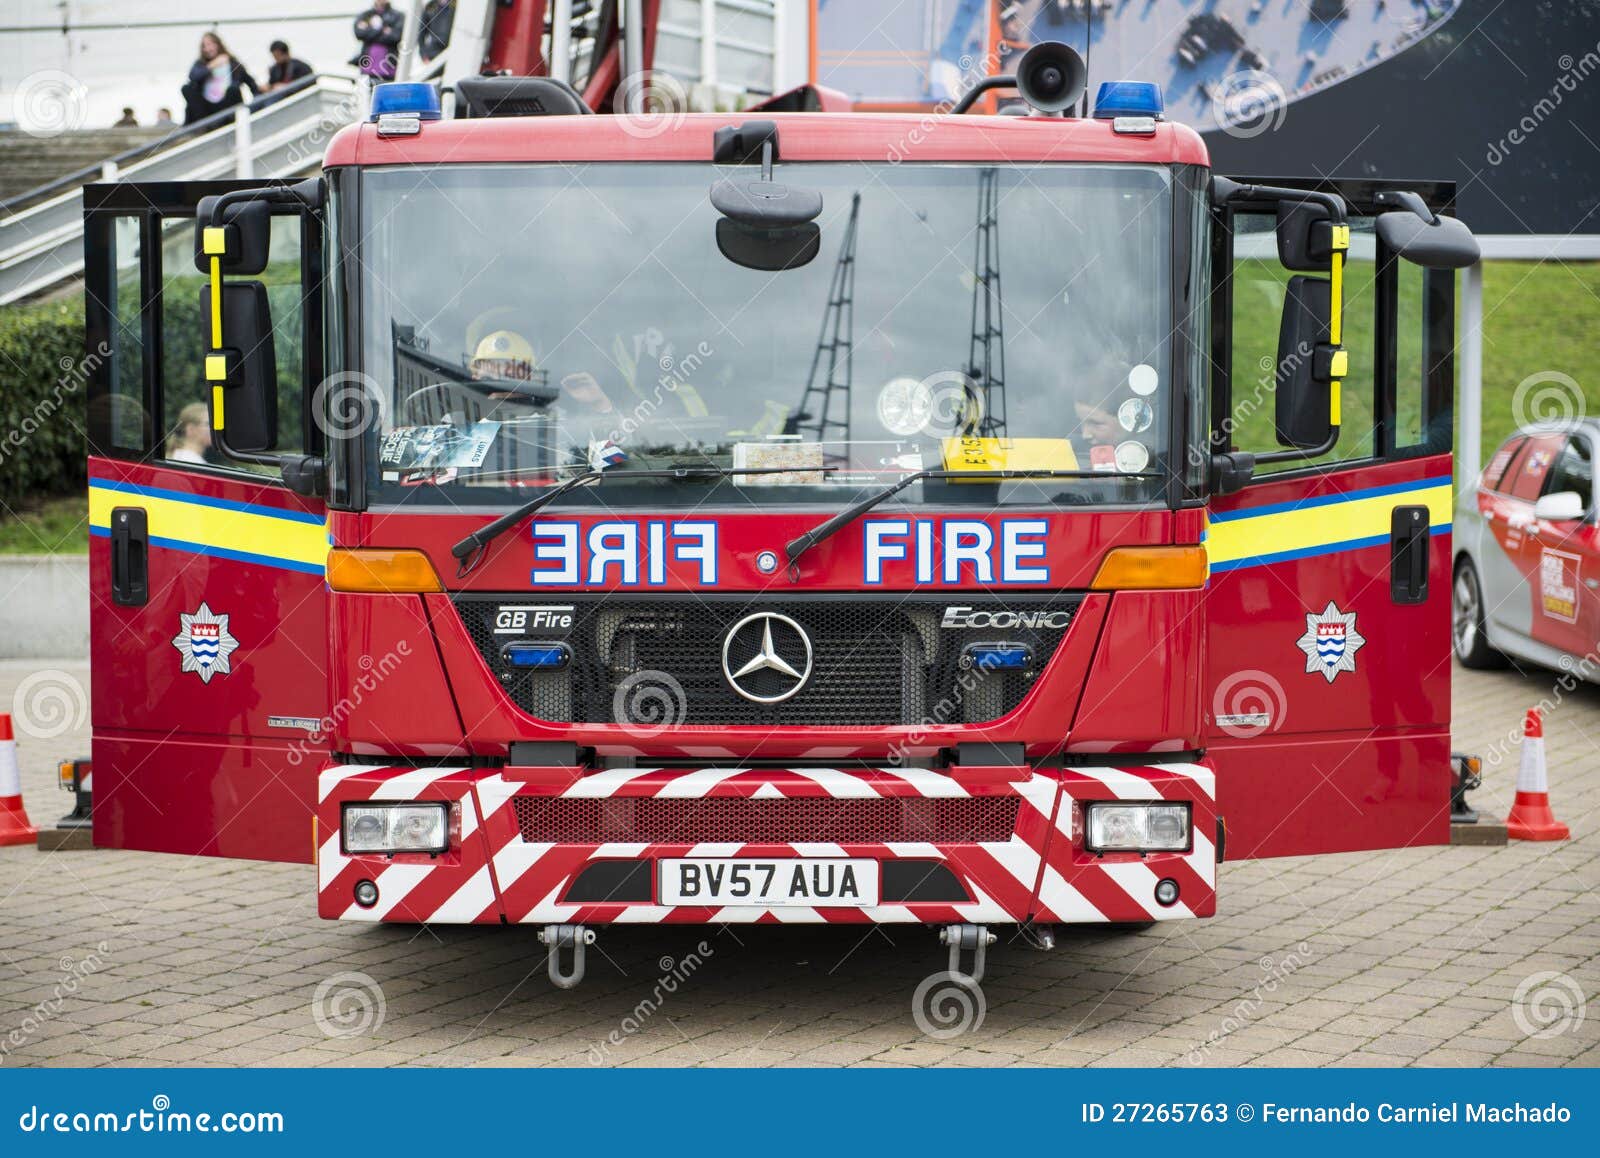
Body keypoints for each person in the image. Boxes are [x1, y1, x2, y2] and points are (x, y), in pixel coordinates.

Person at [181, 32, 260, 124]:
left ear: (218, 44)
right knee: (186, 88)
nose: (207, 49)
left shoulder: (233, 63)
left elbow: (251, 83)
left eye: (210, 44)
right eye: (204, 46)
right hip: (206, 107)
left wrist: (255, 107)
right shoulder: (201, 64)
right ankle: (204, 124)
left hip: (227, 103)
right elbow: (192, 77)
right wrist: (212, 65)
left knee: (233, 89)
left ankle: (231, 119)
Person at [351, 2, 405, 80]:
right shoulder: (365, 15)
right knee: (367, 89)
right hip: (368, 69)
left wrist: (370, 30)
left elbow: (396, 37)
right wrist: (382, 30)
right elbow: (359, 34)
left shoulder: (398, 16)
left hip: (389, 69)